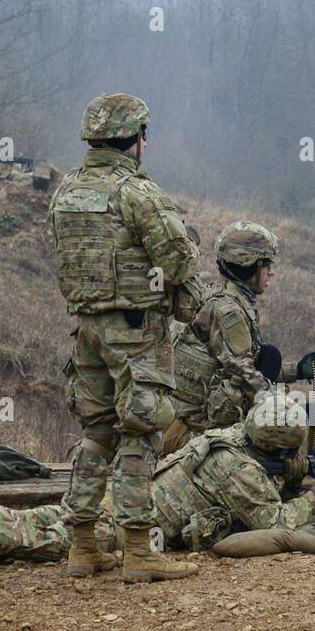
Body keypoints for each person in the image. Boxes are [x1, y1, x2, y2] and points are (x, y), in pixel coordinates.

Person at [0, 394, 315, 583]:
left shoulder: (227, 440)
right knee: (39, 536)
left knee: (37, 520)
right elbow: (275, 522)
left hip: (121, 497)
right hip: (130, 523)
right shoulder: (242, 471)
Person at [50, 92, 206, 582]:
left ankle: (81, 546)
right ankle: (139, 551)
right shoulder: (136, 193)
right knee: (141, 432)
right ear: (136, 138)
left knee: (96, 433)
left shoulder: (67, 190)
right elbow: (179, 260)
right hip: (136, 334)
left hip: (86, 331)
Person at [165, 220, 315, 455]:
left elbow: (239, 362)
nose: (271, 271)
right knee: (279, 425)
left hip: (179, 421)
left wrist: (298, 371)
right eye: (266, 264)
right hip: (191, 435)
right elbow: (245, 374)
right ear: (247, 265)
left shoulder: (219, 294)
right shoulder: (228, 311)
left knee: (269, 357)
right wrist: (290, 414)